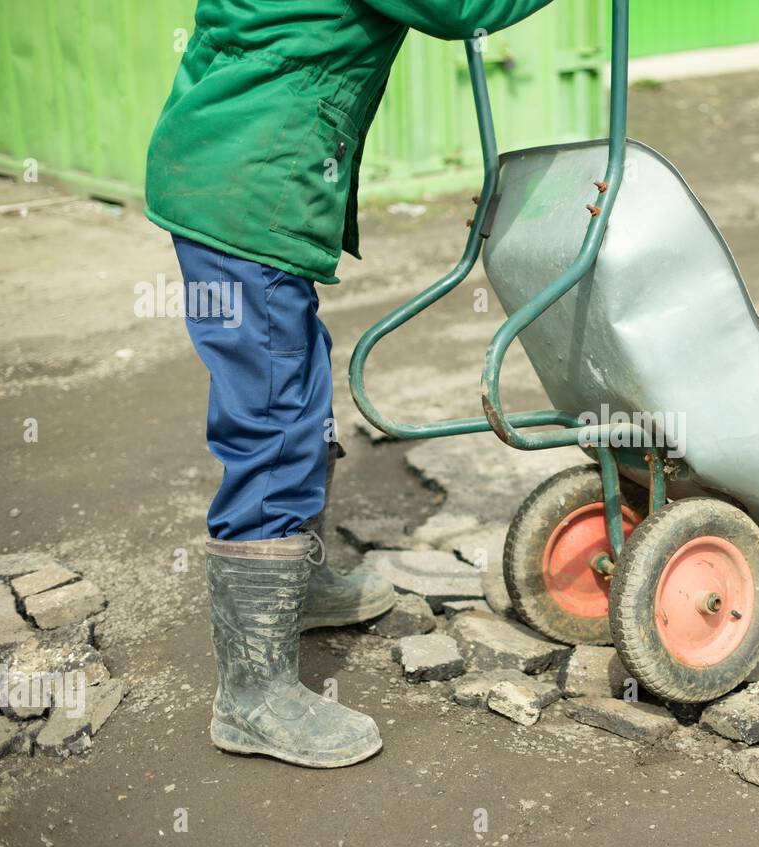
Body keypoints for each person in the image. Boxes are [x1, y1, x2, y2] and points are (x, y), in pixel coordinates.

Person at [145, 0, 554, 769]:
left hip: (228, 170)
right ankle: (251, 697)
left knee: (293, 381)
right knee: (272, 417)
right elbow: (462, 7)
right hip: (245, 187)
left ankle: (295, 586)